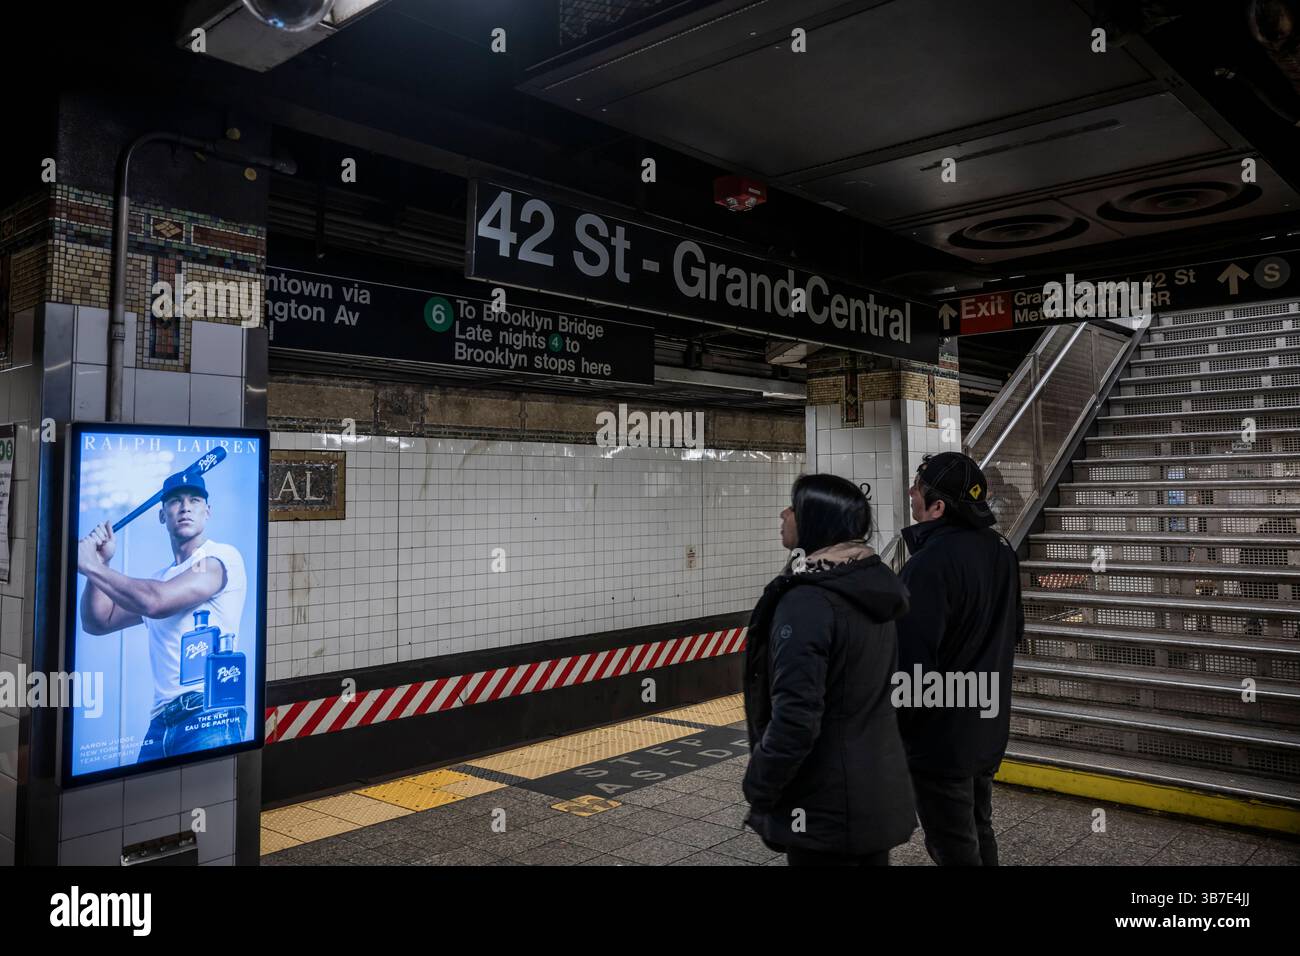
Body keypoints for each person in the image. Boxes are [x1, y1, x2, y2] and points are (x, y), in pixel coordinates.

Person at [742, 473, 916, 866]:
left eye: (793, 506)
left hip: (825, 805)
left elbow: (797, 718)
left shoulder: (808, 602)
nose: (783, 513)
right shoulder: (871, 584)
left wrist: (759, 781)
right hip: (872, 791)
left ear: (814, 520)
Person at [895, 451, 1023, 866]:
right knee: (978, 826)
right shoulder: (1002, 552)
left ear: (938, 507)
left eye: (919, 489)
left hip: (941, 738)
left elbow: (910, 664)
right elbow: (1014, 632)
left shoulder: (927, 567)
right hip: (986, 724)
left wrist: (898, 736)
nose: (911, 493)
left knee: (952, 845)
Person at [77, 472, 248, 762]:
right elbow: (97, 622)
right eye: (175, 502)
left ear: (208, 512)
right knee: (147, 802)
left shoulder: (220, 558)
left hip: (209, 713)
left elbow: (157, 602)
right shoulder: (160, 579)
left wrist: (92, 567)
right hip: (161, 722)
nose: (185, 507)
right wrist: (102, 563)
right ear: (162, 516)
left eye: (195, 500)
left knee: (208, 798)